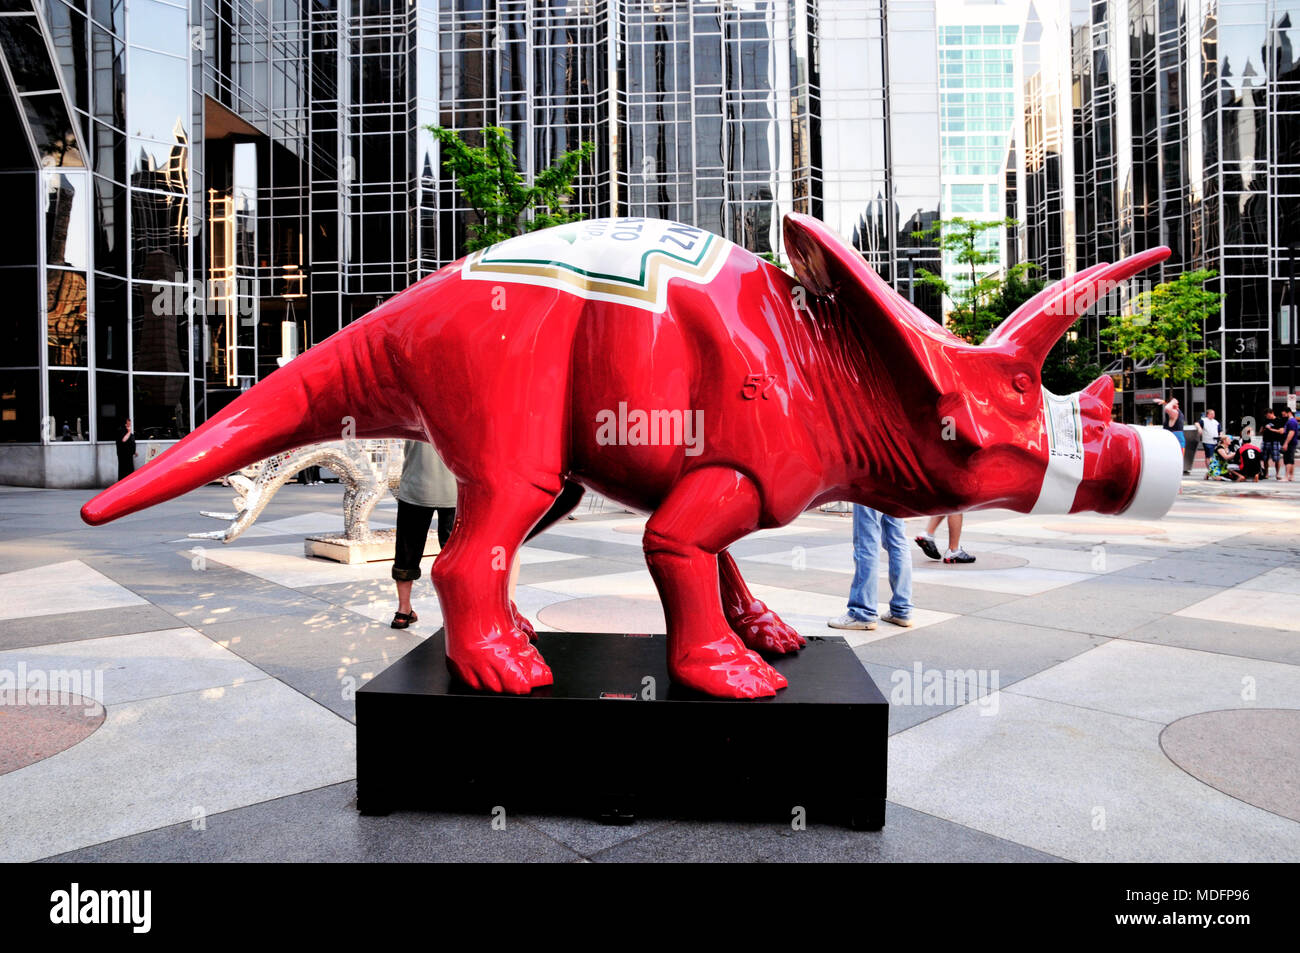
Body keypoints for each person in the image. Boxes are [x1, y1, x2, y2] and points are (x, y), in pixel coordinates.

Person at [391, 440, 457, 629]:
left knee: (407, 550)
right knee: (454, 557)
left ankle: (403, 611)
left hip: (415, 486)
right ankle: (453, 615)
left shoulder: (414, 410)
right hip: (454, 490)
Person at [828, 505, 913, 630]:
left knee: (866, 540)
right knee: (897, 539)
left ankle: (862, 613)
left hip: (871, 486)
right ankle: (902, 610)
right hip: (897, 486)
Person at [1155, 397, 1187, 472]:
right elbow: (1168, 408)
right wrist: (1165, 402)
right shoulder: (1175, 412)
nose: (1177, 404)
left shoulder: (1175, 413)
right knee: (1171, 463)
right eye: (1176, 403)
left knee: (1174, 463)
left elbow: (1167, 408)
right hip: (1174, 442)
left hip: (1176, 442)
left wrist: (1171, 402)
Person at [1262, 410, 1285, 479]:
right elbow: (1261, 431)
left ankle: (1277, 474)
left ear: (1272, 413)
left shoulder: (1278, 420)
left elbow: (1281, 431)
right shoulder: (1265, 420)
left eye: (1268, 415)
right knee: (1265, 458)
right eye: (1266, 416)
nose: (1267, 417)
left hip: (1275, 441)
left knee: (1276, 459)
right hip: (1266, 441)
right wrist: (1264, 429)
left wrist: (1271, 429)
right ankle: (1266, 473)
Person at [1282, 408, 1299, 482]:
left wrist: (1286, 443)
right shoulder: (1292, 421)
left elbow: (1291, 433)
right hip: (1292, 442)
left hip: (1290, 443)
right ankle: (1291, 476)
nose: (1283, 415)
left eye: (1284, 414)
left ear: (1288, 412)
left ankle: (1286, 476)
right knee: (1291, 459)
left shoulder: (1291, 421)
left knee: (1288, 460)